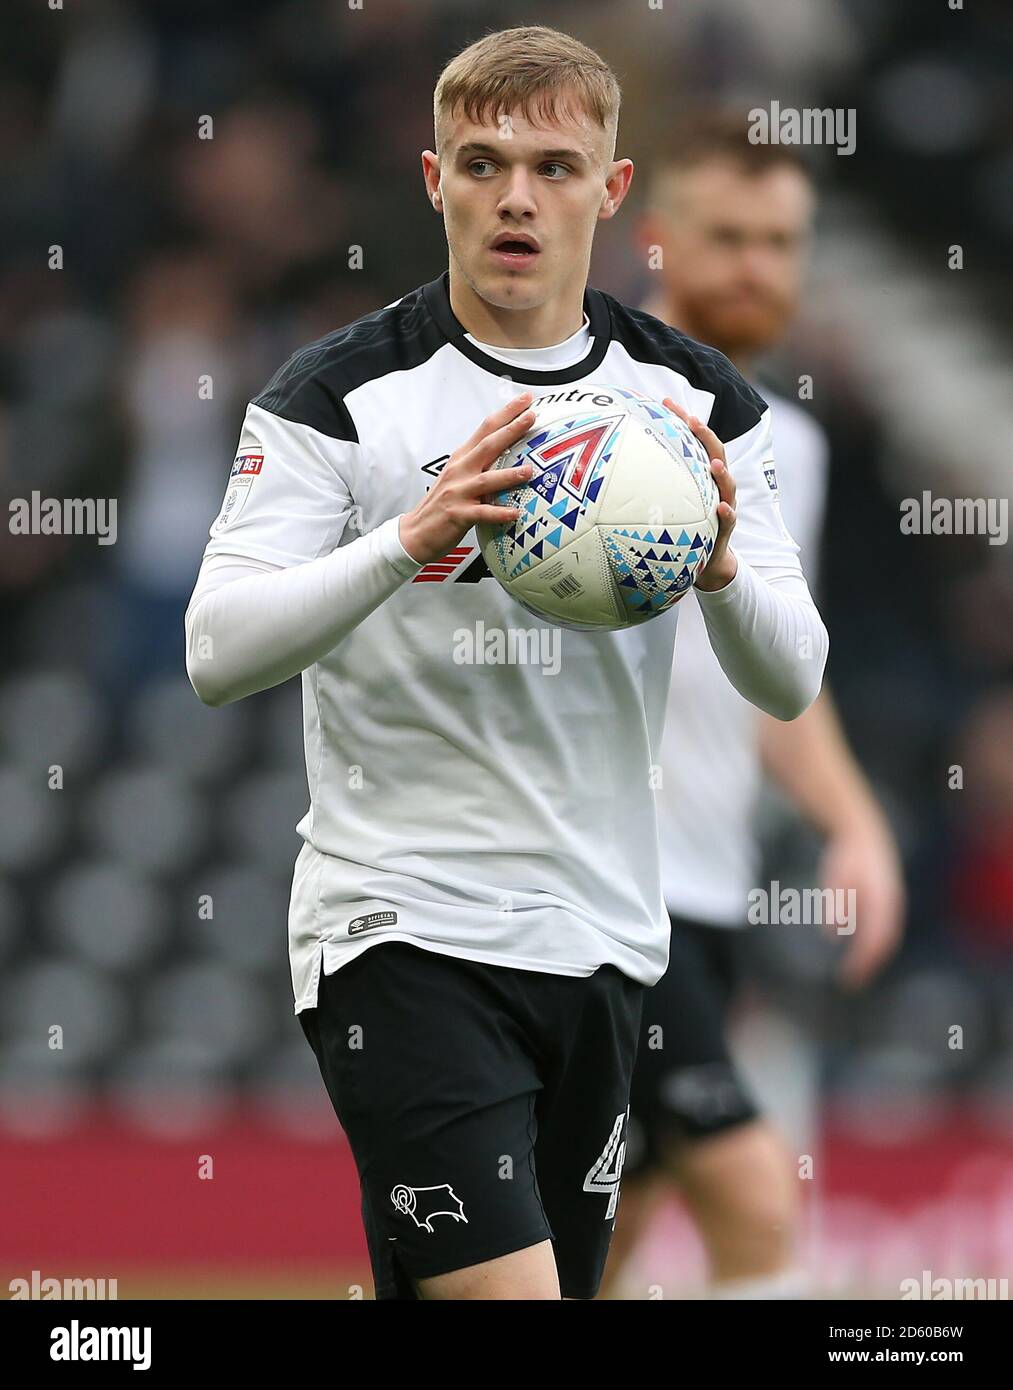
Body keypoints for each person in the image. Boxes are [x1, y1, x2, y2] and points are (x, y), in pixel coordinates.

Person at [183, 28, 828, 1301]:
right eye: (481, 164)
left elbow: (790, 676)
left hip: (602, 935)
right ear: (435, 181)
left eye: (553, 167)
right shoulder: (340, 396)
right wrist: (407, 540)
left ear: (612, 188)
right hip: (400, 924)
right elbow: (216, 650)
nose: (515, 197)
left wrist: (714, 570)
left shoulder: (695, 404)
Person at [601, 112, 905, 1299]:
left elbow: (775, 679)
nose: (755, 268)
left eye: (779, 243)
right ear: (656, 237)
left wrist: (851, 820)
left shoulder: (793, 449)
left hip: (708, 890)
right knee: (753, 1201)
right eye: (725, 237)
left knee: (603, 1243)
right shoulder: (580, 410)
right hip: (601, 888)